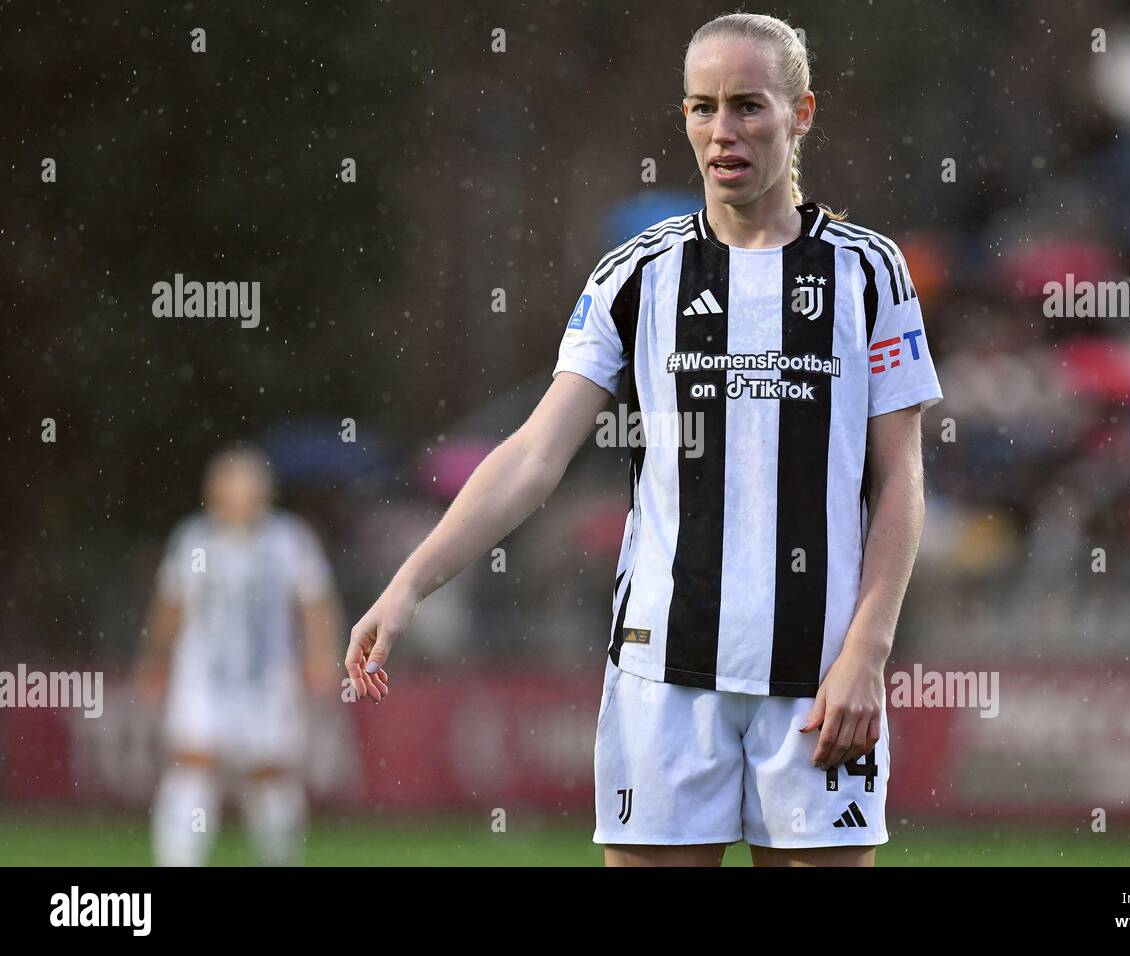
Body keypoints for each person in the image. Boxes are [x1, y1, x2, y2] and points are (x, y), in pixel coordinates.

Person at [345, 11, 942, 867]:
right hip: (661, 679)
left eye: (748, 106)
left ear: (802, 112)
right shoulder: (636, 274)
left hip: (815, 679)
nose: (722, 132)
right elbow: (532, 455)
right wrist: (409, 585)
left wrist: (868, 651)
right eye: (702, 108)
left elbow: (901, 479)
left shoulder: (869, 273)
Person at [136, 444, 342, 866]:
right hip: (203, 678)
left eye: (251, 487)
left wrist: (322, 658)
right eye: (233, 487)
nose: (243, 497)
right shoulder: (193, 539)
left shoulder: (289, 540)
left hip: (269, 679)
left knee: (270, 774)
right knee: (194, 766)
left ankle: (279, 859)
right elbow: (169, 606)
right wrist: (155, 661)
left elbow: (317, 604)